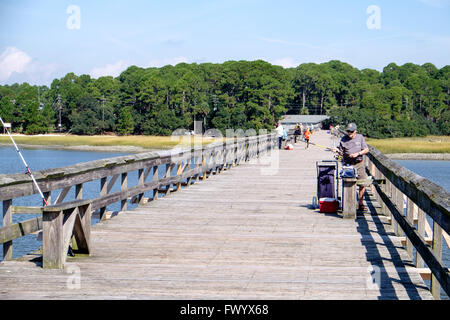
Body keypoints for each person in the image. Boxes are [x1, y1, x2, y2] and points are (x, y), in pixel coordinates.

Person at [333, 122, 370, 212]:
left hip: (359, 163)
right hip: (348, 165)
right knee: (348, 182)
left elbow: (366, 149)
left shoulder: (360, 137)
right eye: (348, 131)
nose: (349, 133)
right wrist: (336, 151)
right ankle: (348, 203)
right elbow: (341, 153)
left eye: (351, 131)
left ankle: (360, 203)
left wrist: (357, 154)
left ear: (355, 131)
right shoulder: (343, 139)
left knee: (362, 183)